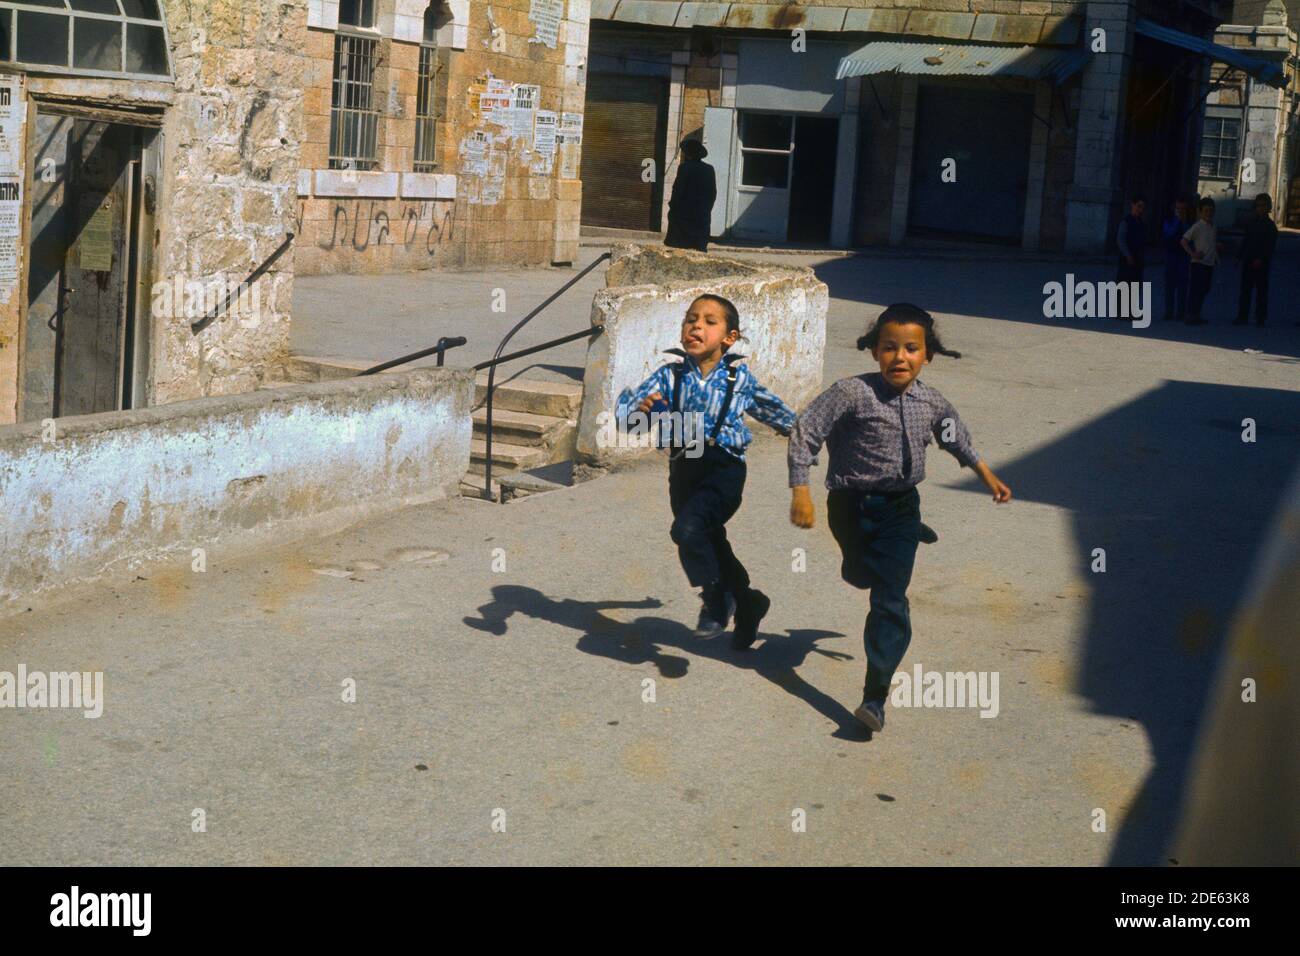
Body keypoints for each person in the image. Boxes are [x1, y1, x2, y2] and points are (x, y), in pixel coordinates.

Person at [787, 303, 1012, 733]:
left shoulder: (930, 401)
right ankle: (885, 549)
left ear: (928, 355)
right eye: (890, 347)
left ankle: (875, 696)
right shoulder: (851, 393)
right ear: (874, 351)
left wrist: (988, 476)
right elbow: (807, 430)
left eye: (912, 348)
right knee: (858, 573)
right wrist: (801, 488)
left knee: (890, 598)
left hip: (900, 506)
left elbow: (956, 439)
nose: (900, 357)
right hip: (849, 507)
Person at [616, 294, 797, 649]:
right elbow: (628, 422)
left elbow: (780, 414)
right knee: (708, 540)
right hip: (684, 467)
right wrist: (642, 409)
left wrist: (819, 440)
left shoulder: (738, 378)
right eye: (690, 319)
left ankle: (716, 599)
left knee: (687, 529)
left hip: (724, 468)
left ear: (730, 338)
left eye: (709, 322)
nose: (696, 326)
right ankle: (749, 603)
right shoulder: (668, 376)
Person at [664, 138, 716, 253]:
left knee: (680, 249)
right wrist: (706, 210)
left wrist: (673, 207)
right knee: (698, 249)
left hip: (684, 215)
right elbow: (712, 193)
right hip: (701, 216)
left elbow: (678, 191)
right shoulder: (709, 169)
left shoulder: (684, 168)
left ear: (688, 154)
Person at [1236, 193, 1278, 327]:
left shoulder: (1270, 226)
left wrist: (1262, 258)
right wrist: (1239, 257)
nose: (1260, 208)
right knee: (1245, 290)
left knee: (1261, 291)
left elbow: (1269, 246)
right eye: (1258, 205)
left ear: (1268, 207)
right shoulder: (1251, 223)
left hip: (1262, 263)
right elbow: (1246, 241)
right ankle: (1242, 316)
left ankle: (1261, 317)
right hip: (1248, 259)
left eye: (1263, 205)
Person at [1181, 197, 1222, 326]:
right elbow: (1183, 241)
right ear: (1200, 212)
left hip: (1209, 262)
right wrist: (1192, 253)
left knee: (1204, 289)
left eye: (1211, 211)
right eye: (1206, 211)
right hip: (1198, 263)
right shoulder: (1198, 226)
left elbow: (1210, 243)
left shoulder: (1213, 226)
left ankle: (1196, 314)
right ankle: (1190, 315)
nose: (1208, 214)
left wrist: (1217, 248)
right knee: (1195, 289)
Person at [1161, 195, 1194, 322]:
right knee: (1170, 285)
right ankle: (1169, 312)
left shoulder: (1190, 223)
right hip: (1171, 254)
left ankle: (1180, 312)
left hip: (1184, 256)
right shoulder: (1169, 220)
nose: (1180, 211)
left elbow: (1191, 238)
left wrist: (1184, 222)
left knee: (1183, 285)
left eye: (1183, 209)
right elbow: (1167, 234)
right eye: (1178, 209)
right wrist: (1178, 222)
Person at [1117, 194, 1147, 290]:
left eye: (1142, 207)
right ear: (1132, 205)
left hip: (1138, 262)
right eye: (1139, 206)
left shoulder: (1141, 223)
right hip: (1126, 262)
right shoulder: (1126, 221)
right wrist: (1128, 256)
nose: (1140, 210)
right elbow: (1121, 240)